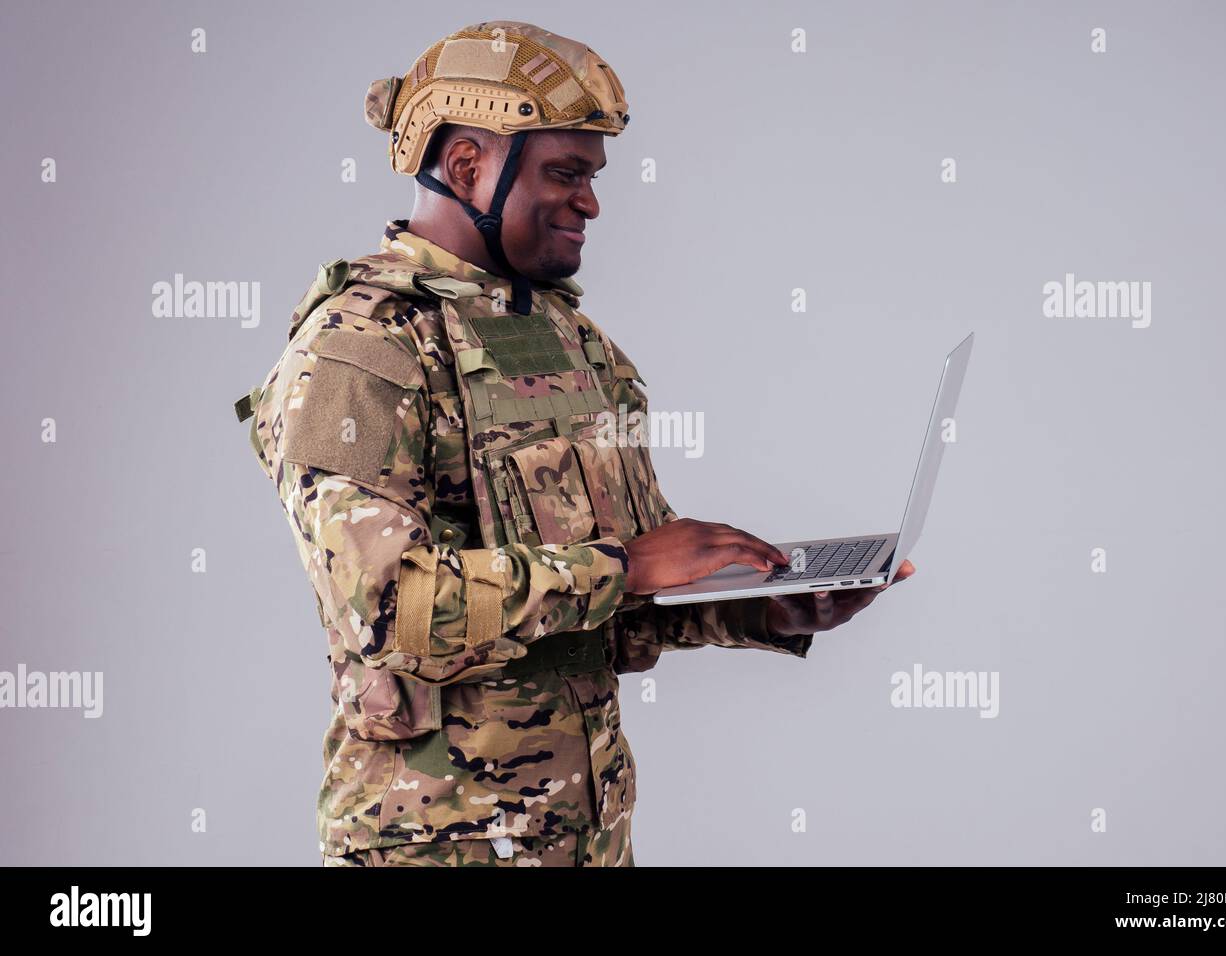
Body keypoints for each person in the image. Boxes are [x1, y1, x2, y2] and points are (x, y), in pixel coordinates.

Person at [233, 20, 914, 868]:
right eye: (566, 173)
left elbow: (624, 599)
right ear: (467, 165)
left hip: (587, 837)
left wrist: (761, 606)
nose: (591, 202)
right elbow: (389, 606)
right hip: (429, 847)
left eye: (591, 177)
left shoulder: (568, 340)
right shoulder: (360, 352)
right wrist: (623, 566)